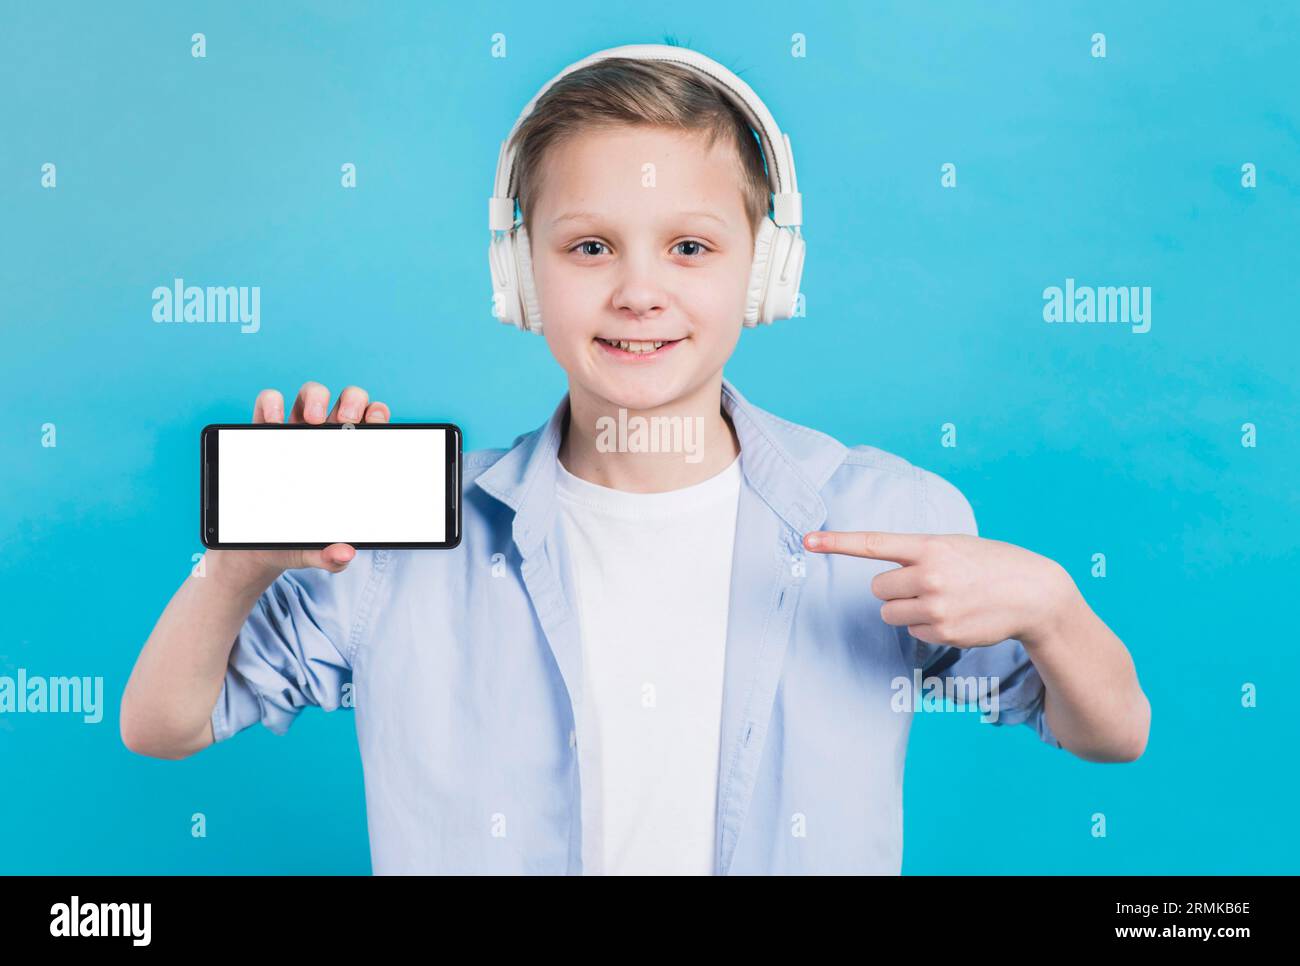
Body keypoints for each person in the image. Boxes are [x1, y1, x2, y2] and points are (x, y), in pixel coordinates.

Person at [121, 43, 1150, 875]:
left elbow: (1109, 733)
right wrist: (241, 564)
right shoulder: (402, 543)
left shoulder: (884, 513)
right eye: (590, 247)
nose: (639, 291)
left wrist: (1054, 609)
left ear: (768, 271)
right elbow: (161, 725)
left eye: (690, 248)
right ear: (518, 276)